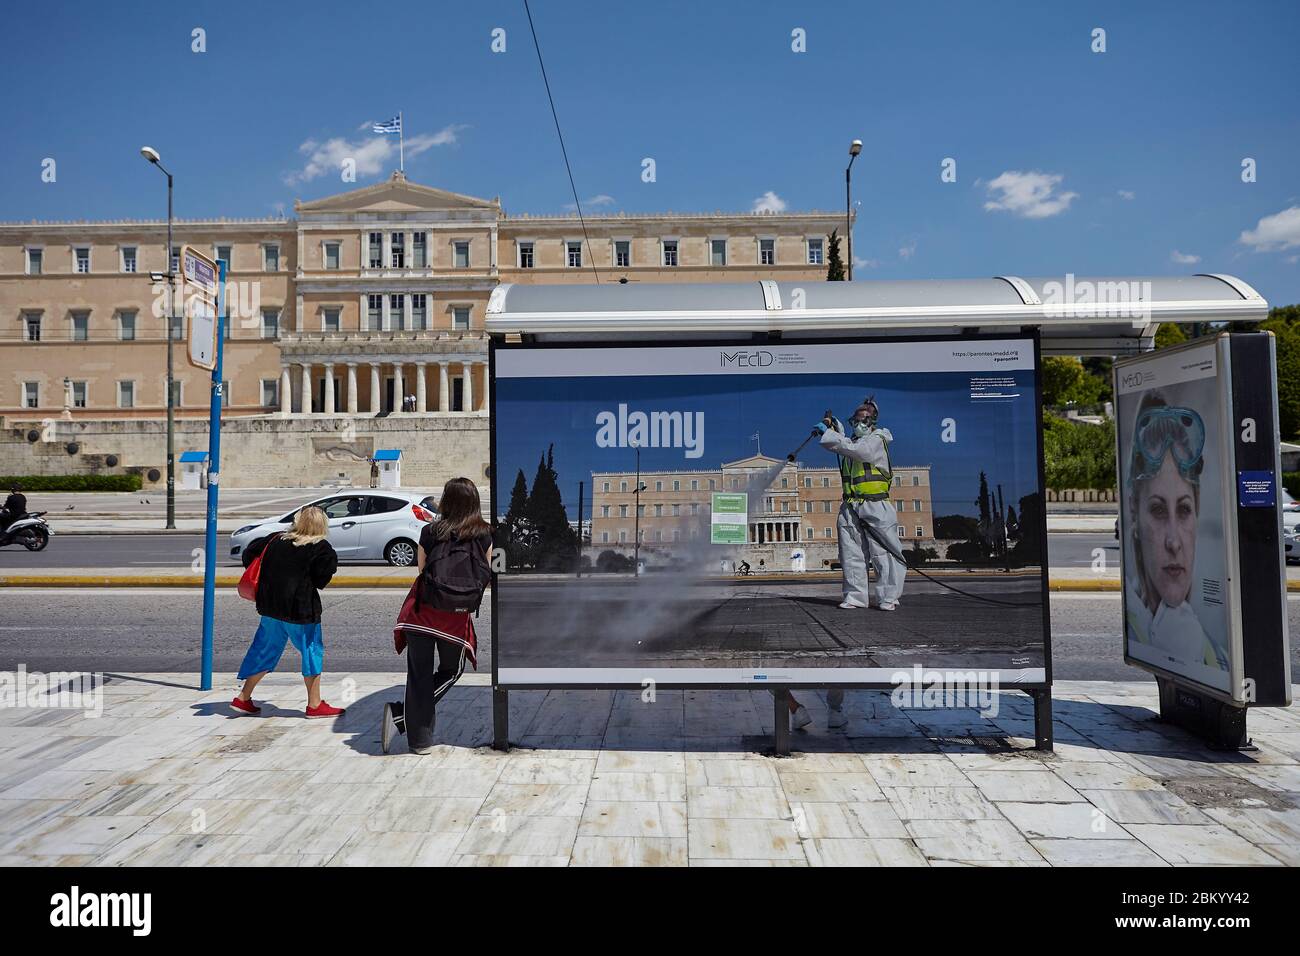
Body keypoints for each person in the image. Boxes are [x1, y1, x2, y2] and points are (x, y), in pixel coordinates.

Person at [383, 477, 492, 754]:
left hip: (420, 612)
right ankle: (399, 714)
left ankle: (418, 741)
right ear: (474, 502)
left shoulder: (430, 531)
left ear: (446, 500)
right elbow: (486, 576)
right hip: (453, 618)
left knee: (418, 674)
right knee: (452, 670)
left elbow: (421, 571)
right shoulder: (484, 533)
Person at [1124, 393, 1226, 670]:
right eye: (1157, 511)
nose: (1173, 542)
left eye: (1183, 510)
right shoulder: (1135, 630)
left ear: (1198, 508)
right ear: (1134, 511)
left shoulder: (1219, 657)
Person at [232, 506, 346, 718]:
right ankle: (314, 705)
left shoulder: (274, 539)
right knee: (311, 652)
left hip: (271, 608)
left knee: (265, 650)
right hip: (300, 611)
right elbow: (322, 580)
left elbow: (249, 554)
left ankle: (243, 697)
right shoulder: (321, 548)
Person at [815, 397, 906, 612]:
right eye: (855, 420)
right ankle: (855, 597)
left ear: (873, 420)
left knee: (883, 554)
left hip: (876, 506)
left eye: (863, 419)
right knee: (851, 553)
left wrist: (829, 434)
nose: (858, 423)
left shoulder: (877, 440)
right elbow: (849, 444)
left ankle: (888, 597)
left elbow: (858, 450)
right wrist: (833, 426)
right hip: (850, 506)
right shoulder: (854, 442)